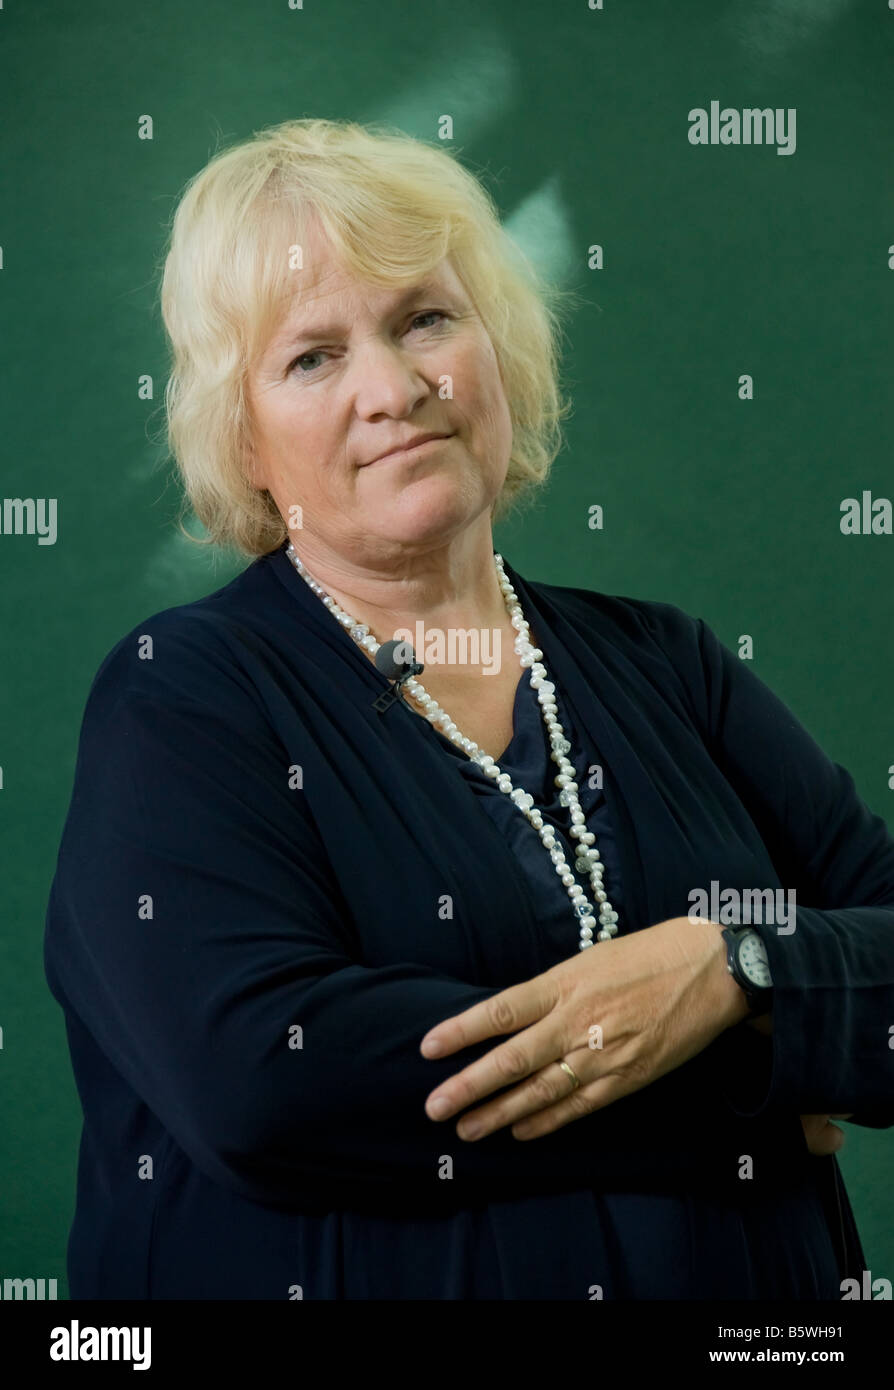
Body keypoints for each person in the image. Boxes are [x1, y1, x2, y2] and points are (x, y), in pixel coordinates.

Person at [44, 117, 893, 1300]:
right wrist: (748, 1090)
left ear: (500, 347)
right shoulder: (181, 696)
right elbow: (264, 1082)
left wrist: (737, 968)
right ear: (246, 443)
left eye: (424, 320)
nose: (392, 388)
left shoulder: (671, 664)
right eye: (313, 357)